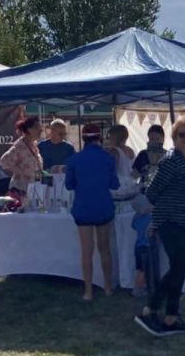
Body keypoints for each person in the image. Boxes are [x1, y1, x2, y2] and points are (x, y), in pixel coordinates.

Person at [135, 117, 185, 337]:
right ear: (174, 138)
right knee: (180, 267)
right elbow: (152, 192)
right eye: (182, 135)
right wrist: (162, 216)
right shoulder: (171, 161)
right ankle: (150, 309)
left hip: (184, 224)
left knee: (180, 268)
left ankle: (171, 318)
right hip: (171, 223)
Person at [64, 124, 119, 301]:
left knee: (86, 251)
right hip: (103, 207)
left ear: (83, 139)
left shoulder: (74, 159)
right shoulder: (108, 158)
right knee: (105, 249)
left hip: (83, 208)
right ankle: (108, 287)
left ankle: (88, 291)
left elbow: (69, 185)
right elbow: (114, 184)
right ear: (99, 138)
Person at [0, 116, 44, 193]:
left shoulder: (34, 146)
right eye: (37, 128)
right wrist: (20, 172)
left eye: (40, 128)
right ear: (29, 130)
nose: (41, 130)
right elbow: (3, 161)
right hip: (20, 189)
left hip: (33, 189)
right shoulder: (20, 147)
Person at [131, 194, 153, 299]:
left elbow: (134, 227)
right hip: (146, 246)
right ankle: (138, 289)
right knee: (144, 269)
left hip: (138, 246)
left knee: (141, 268)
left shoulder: (136, 218)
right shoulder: (149, 218)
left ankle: (143, 286)